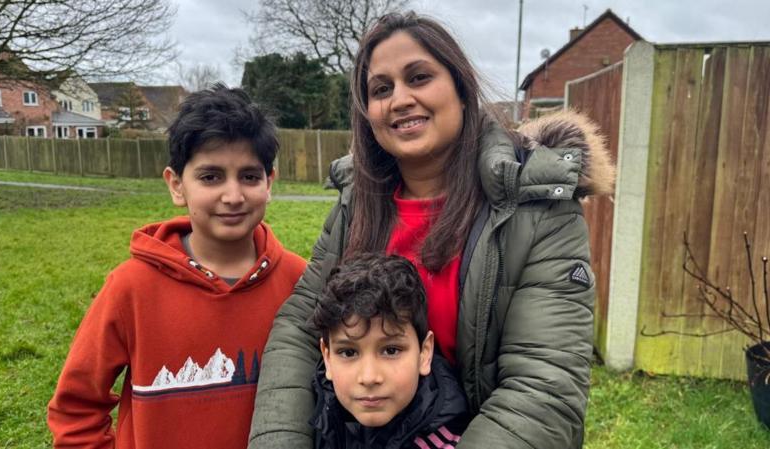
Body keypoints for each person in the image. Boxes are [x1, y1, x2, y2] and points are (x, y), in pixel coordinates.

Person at [249, 11, 615, 449]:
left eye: (419, 77)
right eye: (381, 89)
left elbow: (544, 387)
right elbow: (300, 329)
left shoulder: (536, 208)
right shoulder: (355, 204)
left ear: (461, 90)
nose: (400, 99)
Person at [47, 84, 307, 449]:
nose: (233, 196)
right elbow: (76, 408)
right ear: (176, 185)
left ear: (269, 183)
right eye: (210, 177)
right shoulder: (130, 288)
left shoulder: (301, 283)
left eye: (249, 176)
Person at [310, 253, 468, 449]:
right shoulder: (310, 418)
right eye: (348, 353)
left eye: (391, 350)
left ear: (425, 353)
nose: (369, 377)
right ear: (327, 358)